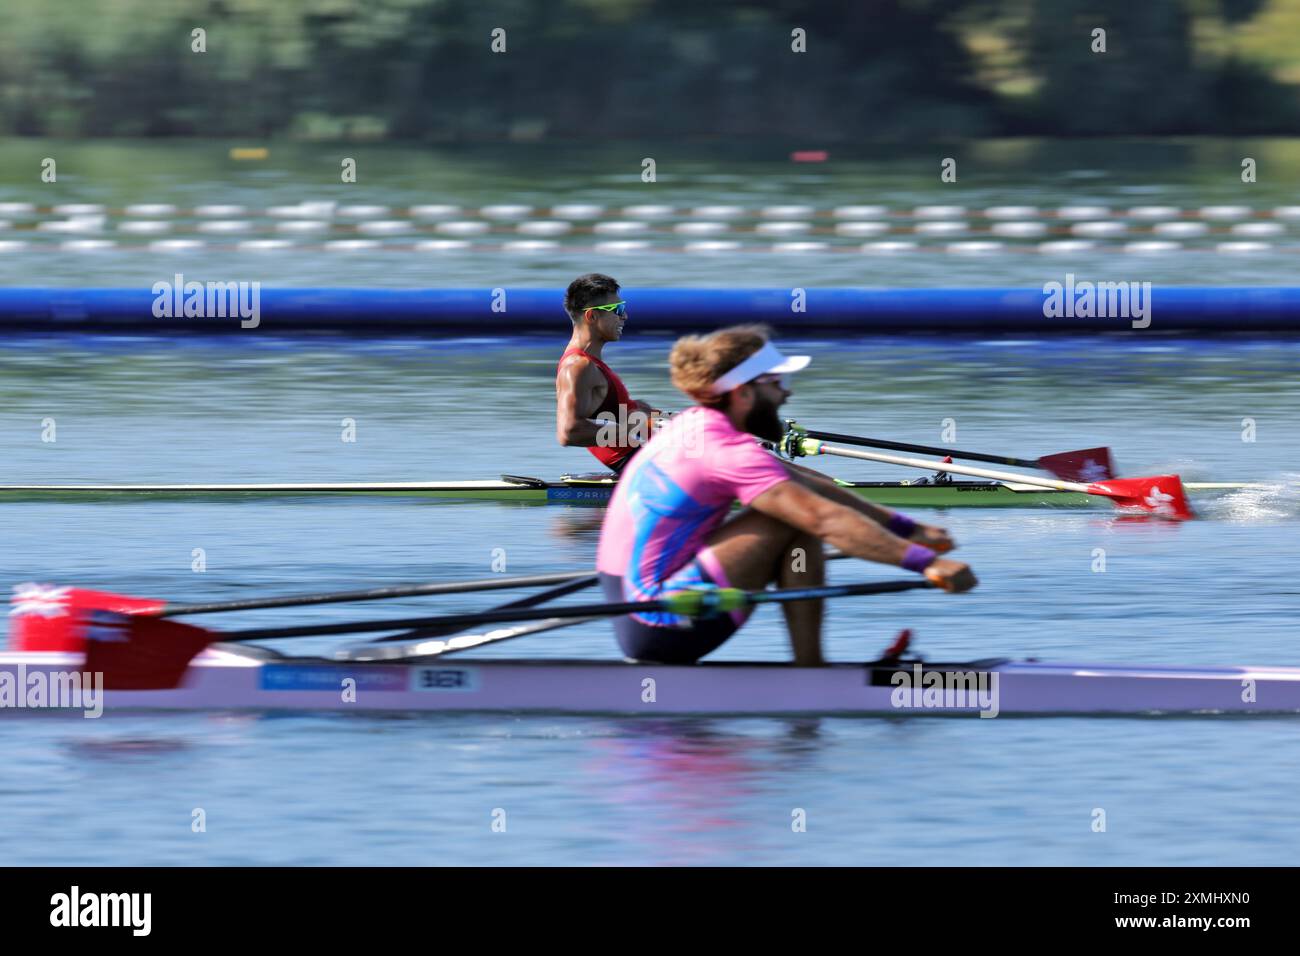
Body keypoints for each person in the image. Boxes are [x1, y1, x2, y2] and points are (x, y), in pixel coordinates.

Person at [595, 324, 977, 666]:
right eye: (776, 384)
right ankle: (810, 675)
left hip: (627, 599)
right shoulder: (727, 452)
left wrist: (906, 528)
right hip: (660, 620)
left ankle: (809, 673)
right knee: (797, 517)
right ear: (743, 392)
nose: (786, 393)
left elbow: (806, 484)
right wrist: (924, 563)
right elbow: (823, 516)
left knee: (795, 504)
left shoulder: (694, 426)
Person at [555, 273, 658, 474]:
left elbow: (609, 413)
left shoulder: (589, 363)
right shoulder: (577, 366)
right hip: (646, 466)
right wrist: (633, 428)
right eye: (618, 310)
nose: (624, 316)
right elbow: (569, 432)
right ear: (591, 316)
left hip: (653, 453)